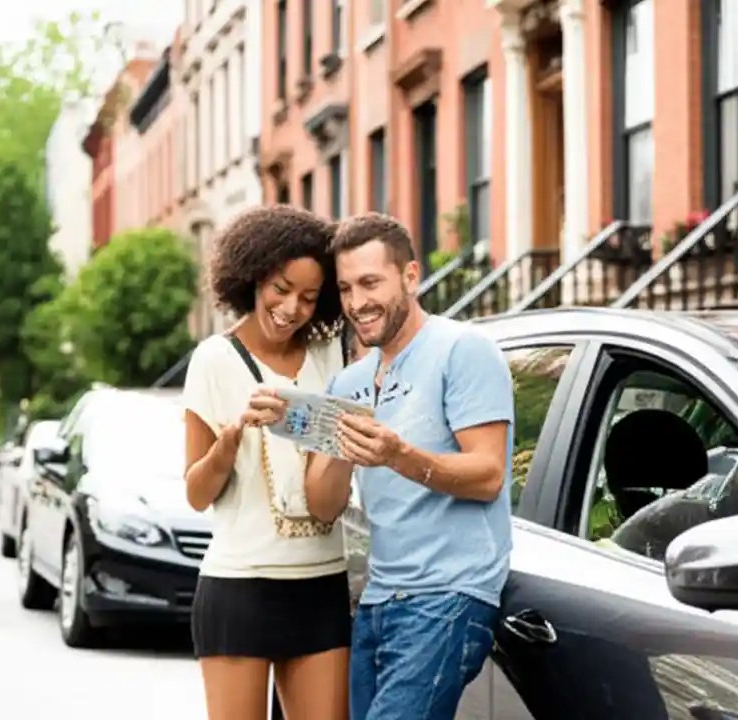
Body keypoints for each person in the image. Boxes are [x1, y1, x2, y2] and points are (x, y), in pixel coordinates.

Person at [277, 212, 514, 719]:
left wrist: (397, 454)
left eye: (370, 283)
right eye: (345, 289)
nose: (357, 303)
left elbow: (489, 475)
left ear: (410, 277)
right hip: (378, 600)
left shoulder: (463, 350)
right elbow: (323, 506)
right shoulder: (348, 383)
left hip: (448, 596)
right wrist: (337, 446)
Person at [181, 205, 352, 720]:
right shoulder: (213, 359)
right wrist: (227, 444)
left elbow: (328, 500)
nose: (291, 307)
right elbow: (196, 494)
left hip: (321, 585)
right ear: (253, 275)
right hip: (239, 588)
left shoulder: (331, 355)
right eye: (281, 288)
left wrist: (337, 434)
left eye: (308, 296)